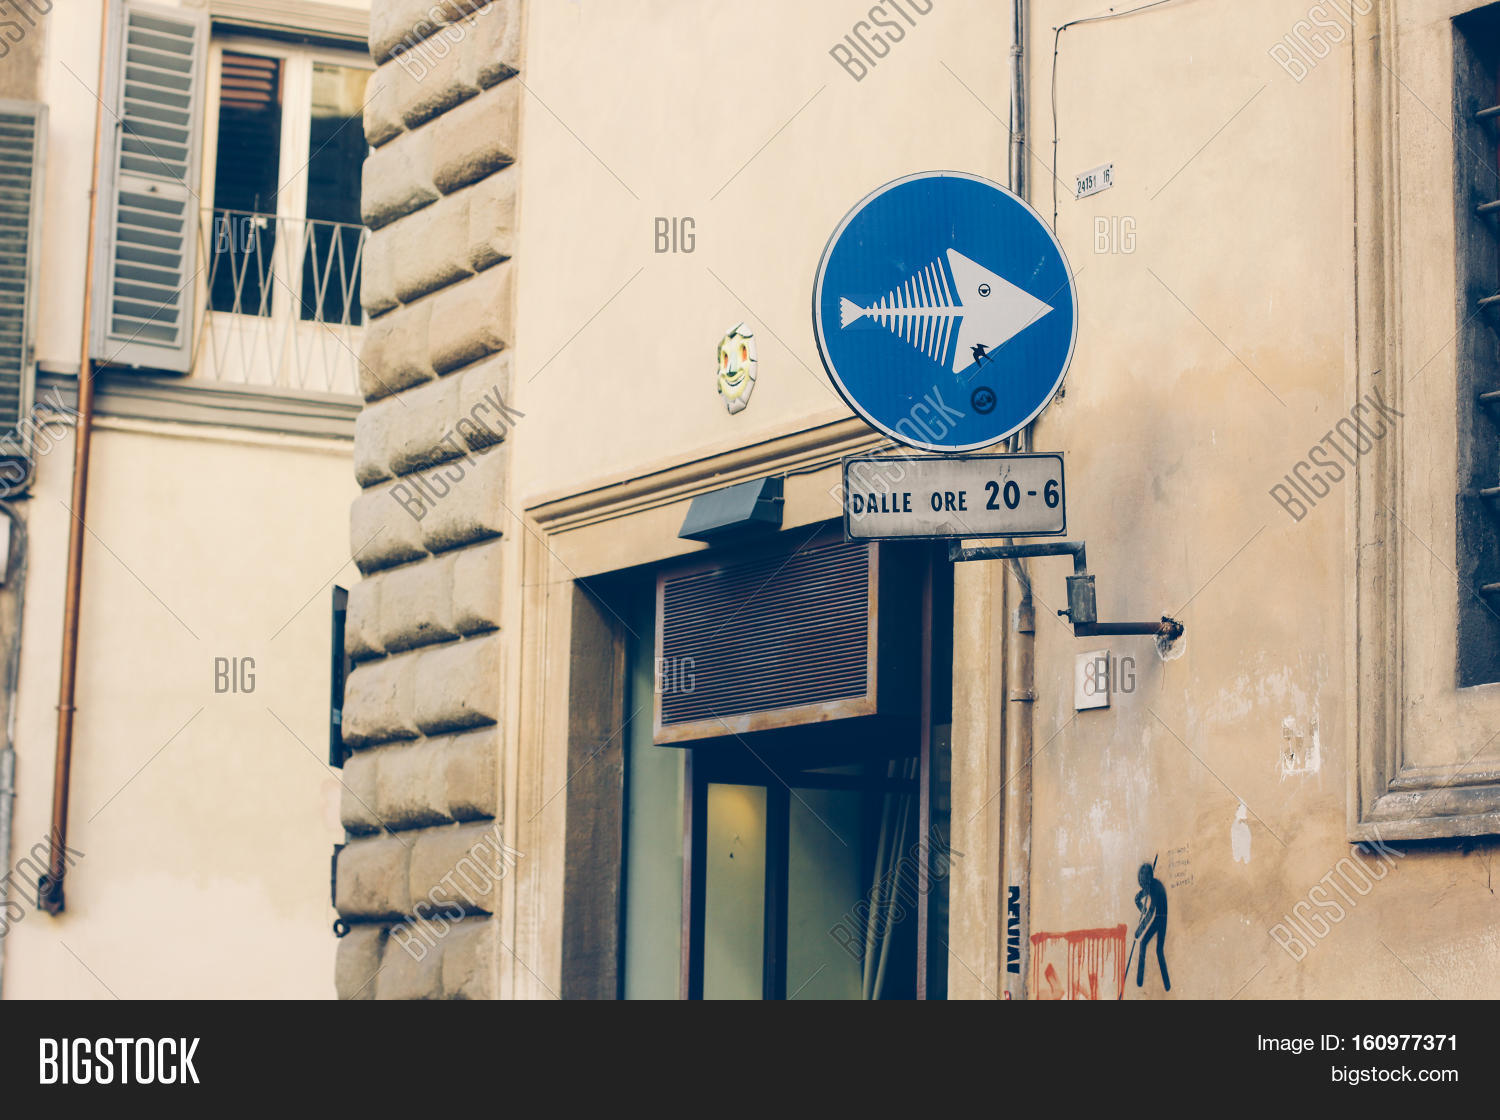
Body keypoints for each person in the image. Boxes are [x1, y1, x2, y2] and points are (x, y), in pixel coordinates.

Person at [1134, 861, 1170, 992]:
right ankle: (1165, 985)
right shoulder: (1151, 885)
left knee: (1154, 948)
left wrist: (1139, 930)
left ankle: (1164, 985)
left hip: (1161, 919)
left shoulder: (1155, 887)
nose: (1142, 882)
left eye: (1144, 878)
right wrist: (1140, 908)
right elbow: (1138, 898)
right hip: (1159, 917)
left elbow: (1150, 912)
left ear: (1148, 877)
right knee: (1154, 948)